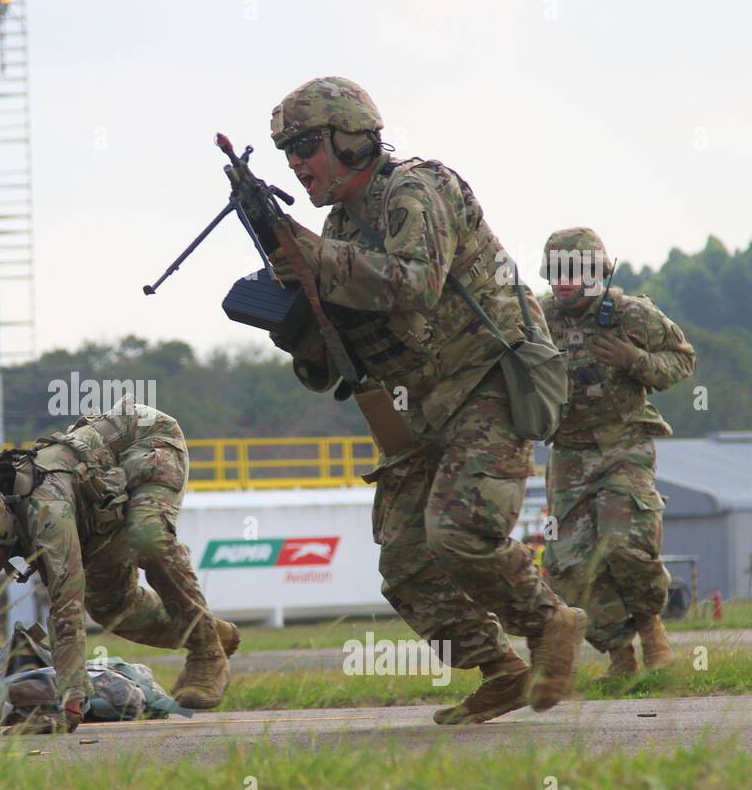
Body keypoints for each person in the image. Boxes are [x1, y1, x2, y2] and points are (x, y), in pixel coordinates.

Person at [261, 76, 586, 724]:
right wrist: (298, 325)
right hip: (424, 405)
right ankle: (500, 668)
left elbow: (414, 286)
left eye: (305, 145)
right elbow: (333, 363)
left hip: (489, 379)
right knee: (406, 563)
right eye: (287, 152)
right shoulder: (340, 226)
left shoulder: (416, 189)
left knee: (458, 531)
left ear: (351, 139)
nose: (295, 163)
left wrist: (317, 258)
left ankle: (551, 622)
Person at [0, 395, 240, 732]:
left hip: (144, 439)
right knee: (114, 607)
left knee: (148, 537)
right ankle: (212, 631)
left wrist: (68, 708)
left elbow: (66, 608)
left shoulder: (47, 511)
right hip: (96, 503)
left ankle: (207, 653)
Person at [538, 227, 696, 677]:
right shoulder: (537, 316)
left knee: (625, 541)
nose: (563, 283)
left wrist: (634, 360)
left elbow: (683, 360)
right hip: (567, 452)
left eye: (573, 272)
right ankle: (618, 654)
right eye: (556, 273)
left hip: (623, 444)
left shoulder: (630, 314)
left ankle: (652, 631)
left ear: (596, 273)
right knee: (569, 563)